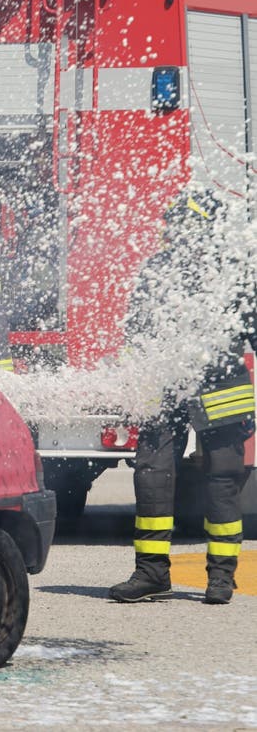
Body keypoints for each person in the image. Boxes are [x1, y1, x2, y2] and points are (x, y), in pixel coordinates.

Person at [109, 189, 256, 605]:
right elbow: (137, 333)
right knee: (152, 477)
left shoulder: (233, 275)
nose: (176, 235)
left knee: (223, 483)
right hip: (166, 387)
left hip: (221, 392)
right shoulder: (157, 269)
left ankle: (222, 578)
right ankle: (151, 573)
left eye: (183, 227)